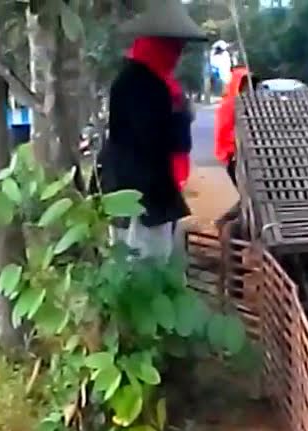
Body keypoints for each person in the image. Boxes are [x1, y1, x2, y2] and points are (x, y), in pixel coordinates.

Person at [98, 0, 208, 262]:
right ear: (158, 47)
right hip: (145, 192)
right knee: (148, 262)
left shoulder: (135, 79)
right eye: (172, 48)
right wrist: (180, 117)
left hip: (127, 186)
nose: (176, 56)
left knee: (127, 256)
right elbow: (158, 140)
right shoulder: (148, 85)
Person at [214, 65, 253, 187]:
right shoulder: (228, 106)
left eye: (249, 84)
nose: (248, 88)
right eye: (244, 84)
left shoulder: (254, 103)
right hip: (236, 153)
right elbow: (223, 131)